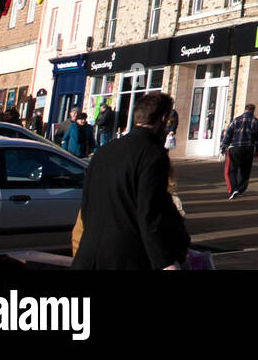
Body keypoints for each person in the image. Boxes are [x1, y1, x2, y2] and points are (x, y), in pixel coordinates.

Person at [71, 91, 189, 270]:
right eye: (169, 122)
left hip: (90, 255)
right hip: (126, 257)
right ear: (163, 119)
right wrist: (164, 261)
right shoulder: (153, 154)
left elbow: (87, 206)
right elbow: (150, 213)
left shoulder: (104, 151)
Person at [220, 102, 258, 199]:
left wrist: (223, 146)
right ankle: (240, 189)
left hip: (235, 148)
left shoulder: (236, 120)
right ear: (253, 111)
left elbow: (228, 133)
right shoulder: (256, 122)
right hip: (248, 148)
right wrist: (257, 150)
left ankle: (233, 189)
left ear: (245, 110)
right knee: (245, 171)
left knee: (232, 170)